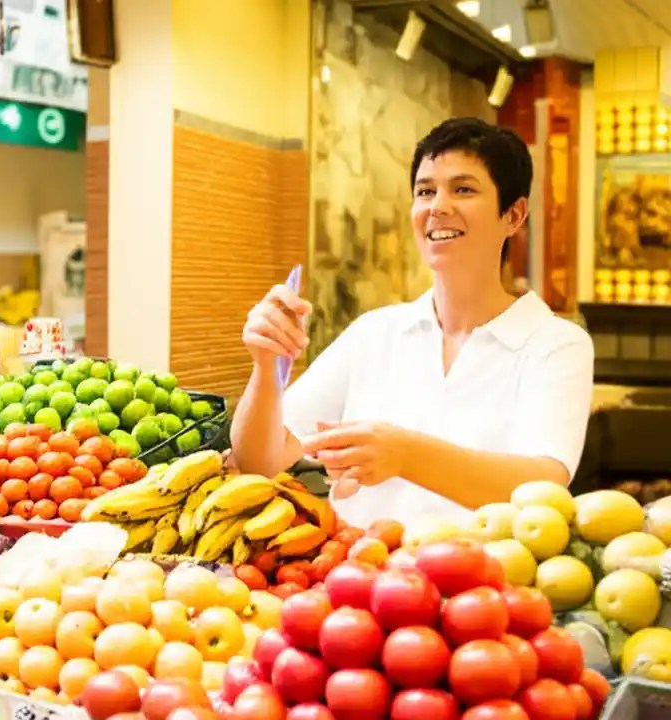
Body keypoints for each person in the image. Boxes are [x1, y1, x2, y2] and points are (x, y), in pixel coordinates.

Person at [231, 117, 594, 529]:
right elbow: (259, 461)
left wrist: (404, 454)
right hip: (355, 576)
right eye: (426, 191)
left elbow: (544, 484)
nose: (438, 206)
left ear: (513, 215)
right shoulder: (375, 333)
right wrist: (264, 366)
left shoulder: (555, 343)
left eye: (463, 189)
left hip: (486, 582)